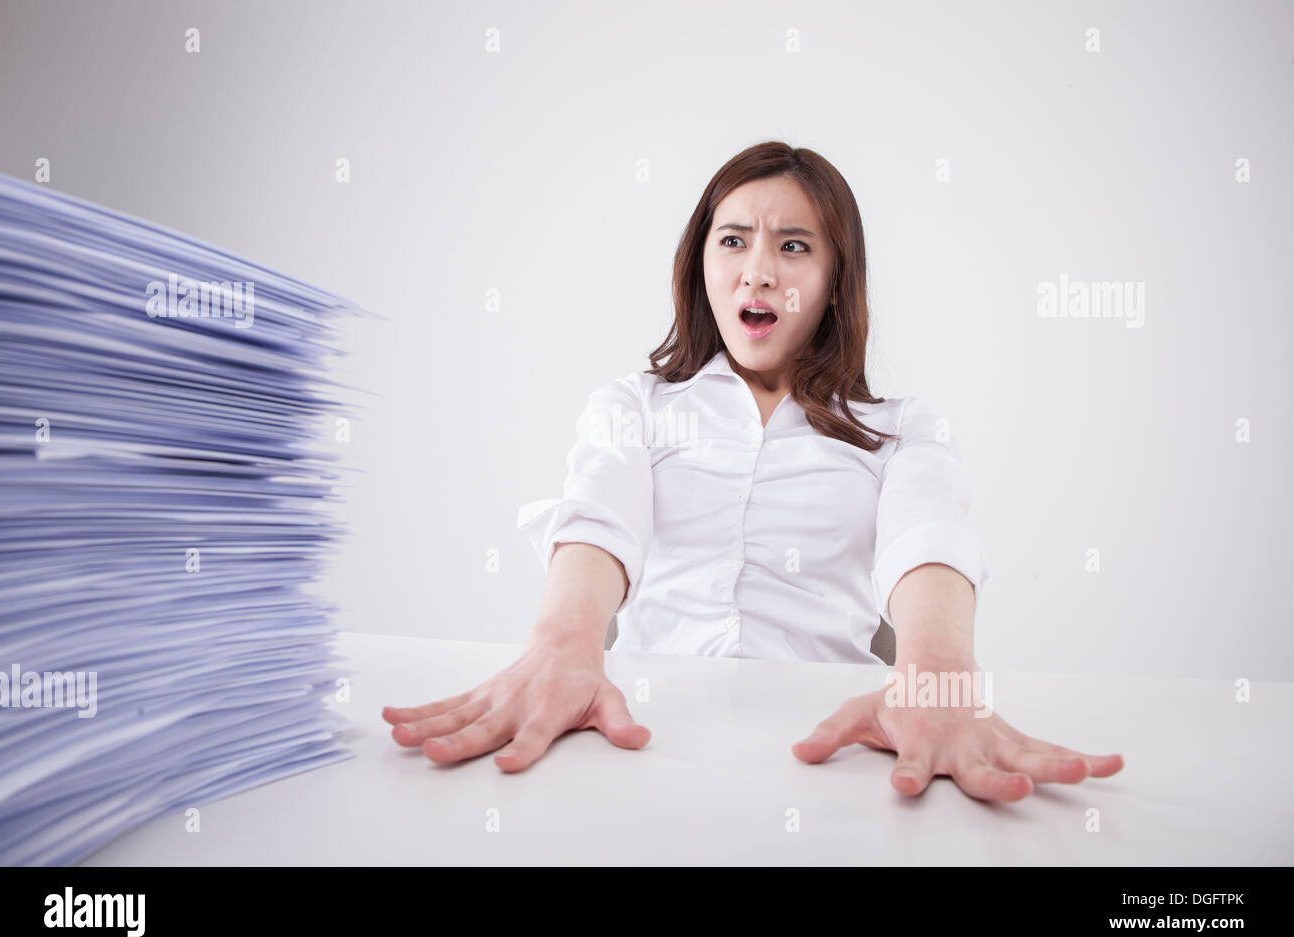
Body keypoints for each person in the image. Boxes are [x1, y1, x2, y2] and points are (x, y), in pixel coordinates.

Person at [383, 141, 1123, 801]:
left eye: (795, 246)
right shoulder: (633, 406)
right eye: (733, 240)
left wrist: (937, 678)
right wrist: (560, 645)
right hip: (638, 742)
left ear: (835, 282)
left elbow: (927, 538)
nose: (759, 271)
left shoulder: (900, 429)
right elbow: (598, 516)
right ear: (701, 262)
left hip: (831, 758)